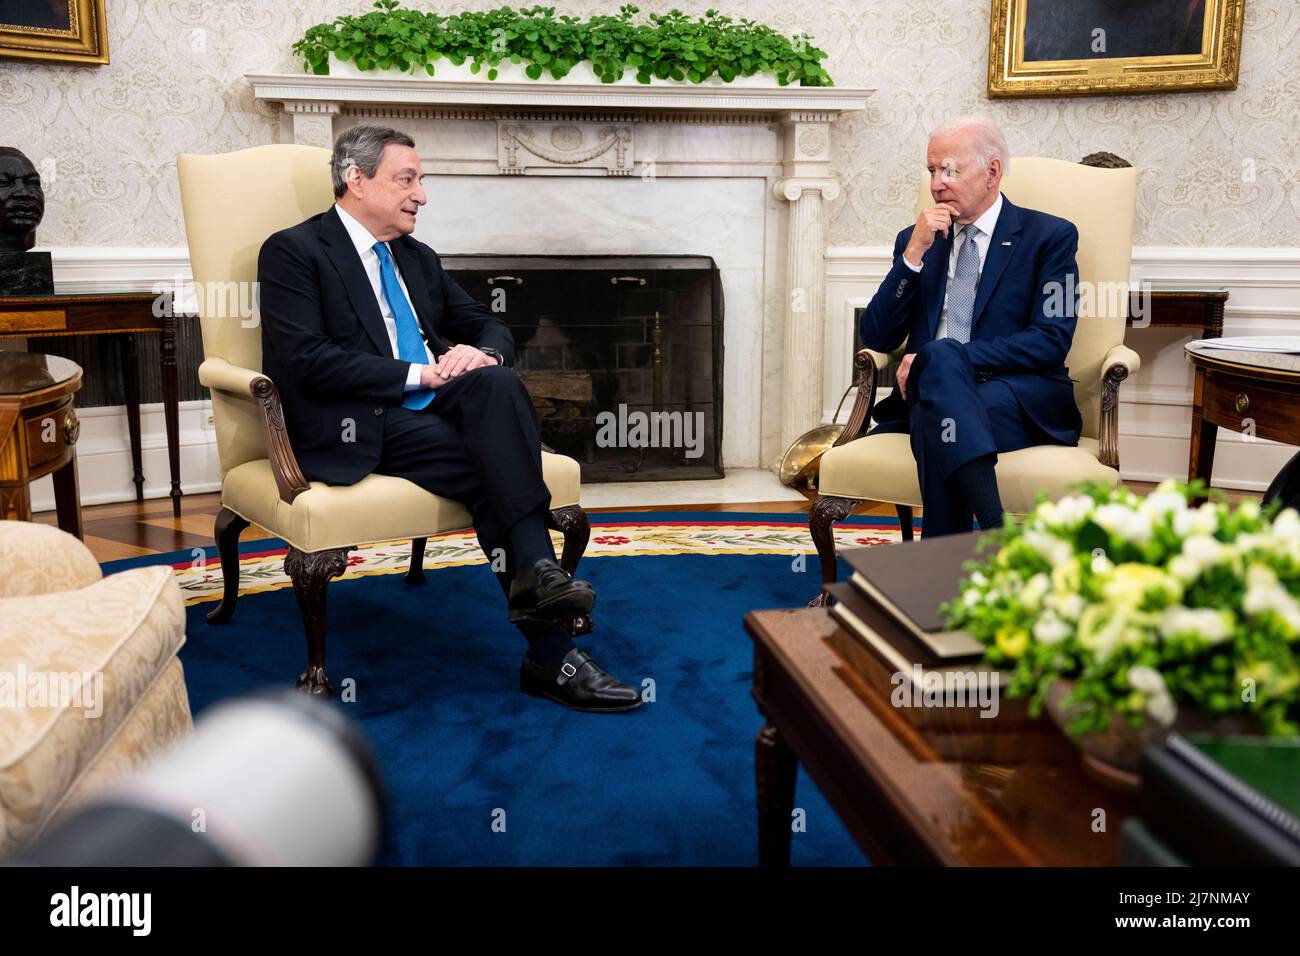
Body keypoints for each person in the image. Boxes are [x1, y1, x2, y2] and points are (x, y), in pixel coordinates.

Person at [256, 125, 640, 712]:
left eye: (421, 180)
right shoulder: (294, 251)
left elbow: (489, 324)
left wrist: (477, 353)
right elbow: (303, 361)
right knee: (493, 465)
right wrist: (418, 375)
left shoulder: (416, 258)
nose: (422, 194)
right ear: (355, 179)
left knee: (495, 378)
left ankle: (537, 580)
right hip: (355, 419)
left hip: (429, 406)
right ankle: (551, 652)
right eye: (406, 179)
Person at [858, 115, 1083, 537]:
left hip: (1015, 394)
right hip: (937, 399)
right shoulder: (918, 239)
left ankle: (942, 564)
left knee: (940, 384)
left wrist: (939, 357)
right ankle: (993, 539)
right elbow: (878, 336)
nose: (937, 183)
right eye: (931, 170)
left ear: (992, 172)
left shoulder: (1049, 236)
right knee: (944, 410)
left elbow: (1052, 340)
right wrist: (912, 256)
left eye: (949, 170)